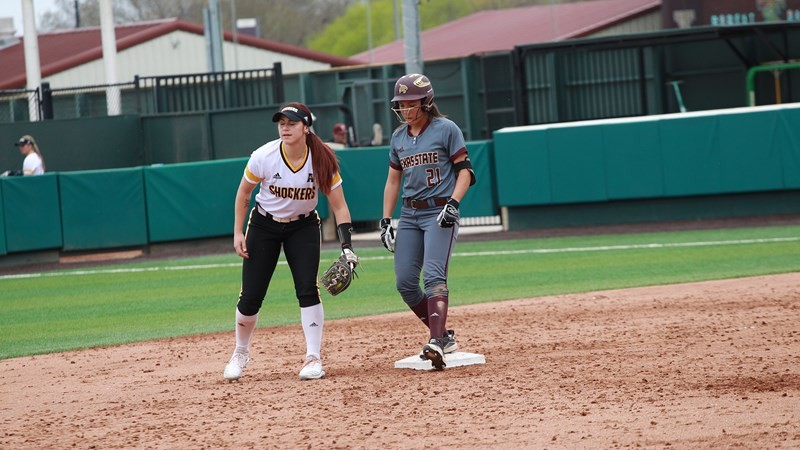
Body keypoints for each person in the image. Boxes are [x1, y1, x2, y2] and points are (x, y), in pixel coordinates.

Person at [223, 102, 359, 381]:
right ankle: (240, 351)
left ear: (306, 128)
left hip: (304, 227)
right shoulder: (265, 156)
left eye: (292, 123)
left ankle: (313, 358)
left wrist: (347, 246)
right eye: (281, 123)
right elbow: (243, 193)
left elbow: (340, 207)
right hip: (263, 225)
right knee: (250, 296)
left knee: (307, 289)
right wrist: (238, 232)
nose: (285, 128)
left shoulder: (321, 159)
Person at [379, 74, 476, 370]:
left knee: (433, 276)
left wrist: (453, 203)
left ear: (426, 102)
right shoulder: (398, 138)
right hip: (410, 214)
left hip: (438, 212)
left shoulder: (446, 129)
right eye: (401, 103)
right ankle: (443, 336)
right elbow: (393, 180)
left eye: (410, 102)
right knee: (406, 283)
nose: (405, 108)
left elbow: (466, 172)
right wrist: (386, 220)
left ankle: (436, 343)